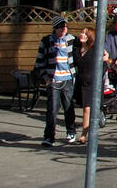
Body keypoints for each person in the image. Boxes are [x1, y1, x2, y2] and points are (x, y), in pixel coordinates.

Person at [36, 16, 78, 146]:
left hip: (68, 78)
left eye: (65, 26)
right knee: (52, 109)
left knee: (69, 107)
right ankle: (49, 137)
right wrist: (45, 78)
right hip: (53, 79)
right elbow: (39, 62)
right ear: (55, 28)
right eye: (61, 27)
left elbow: (82, 52)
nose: (64, 29)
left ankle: (71, 131)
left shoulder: (71, 40)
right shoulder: (46, 41)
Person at [72, 27, 111, 143]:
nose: (82, 35)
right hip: (81, 83)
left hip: (93, 84)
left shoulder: (95, 50)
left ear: (90, 37)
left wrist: (106, 59)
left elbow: (104, 67)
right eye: (81, 32)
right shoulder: (76, 49)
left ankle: (84, 134)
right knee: (86, 109)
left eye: (85, 33)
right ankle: (96, 118)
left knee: (87, 110)